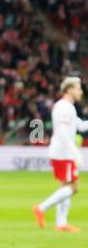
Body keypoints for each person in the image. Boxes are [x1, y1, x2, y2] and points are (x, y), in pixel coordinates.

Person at [33, 76, 88, 233]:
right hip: (63, 153)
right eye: (78, 88)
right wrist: (75, 152)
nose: (81, 91)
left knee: (65, 186)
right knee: (73, 187)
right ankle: (41, 208)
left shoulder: (68, 107)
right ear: (69, 89)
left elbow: (82, 126)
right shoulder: (63, 107)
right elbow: (63, 132)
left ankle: (61, 223)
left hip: (63, 152)